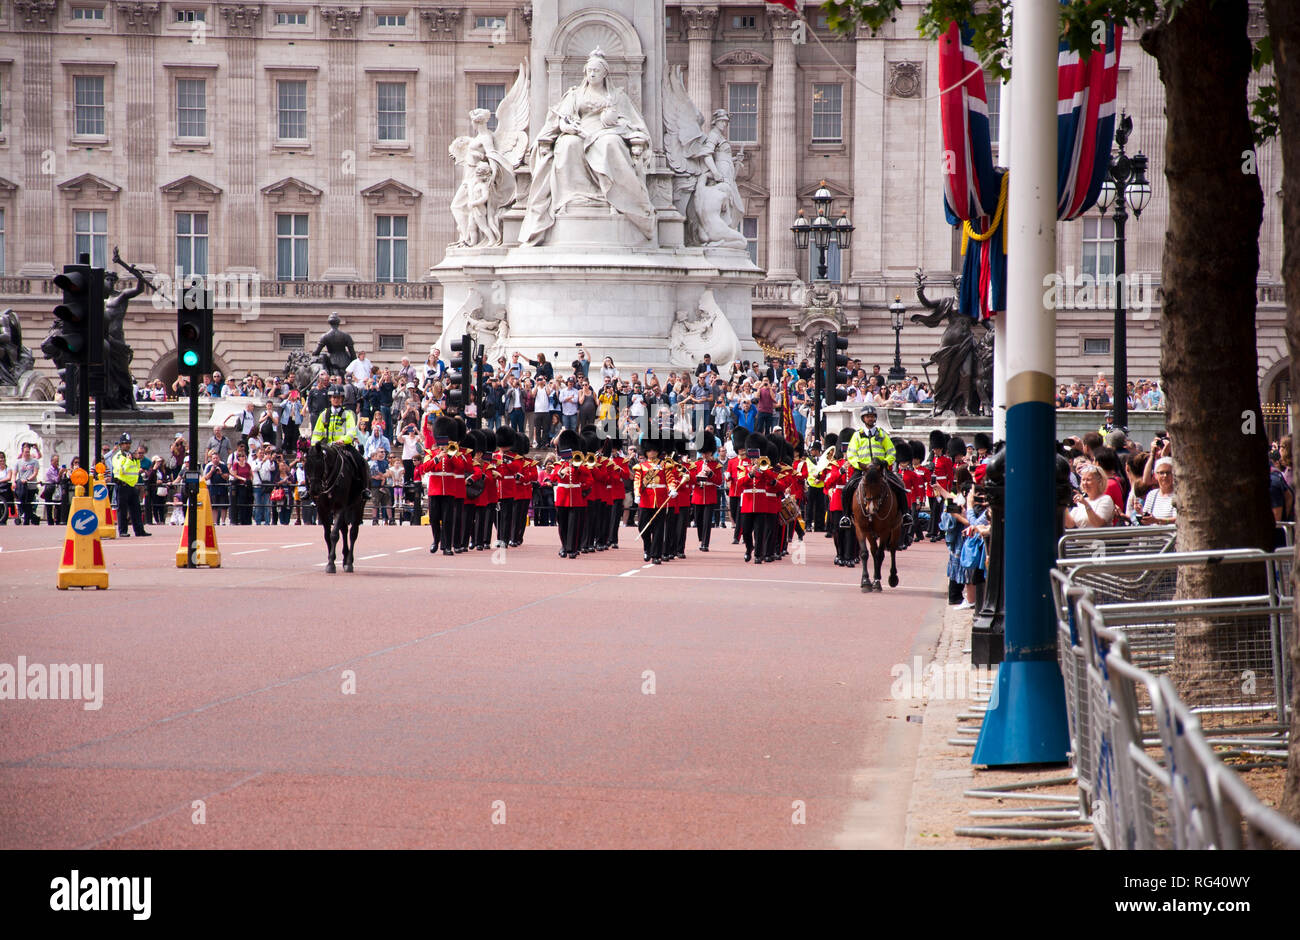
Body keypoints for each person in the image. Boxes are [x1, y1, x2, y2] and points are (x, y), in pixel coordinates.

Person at [843, 405, 908, 524]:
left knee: (900, 485)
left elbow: (891, 452)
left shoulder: (882, 434)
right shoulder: (857, 435)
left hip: (880, 469)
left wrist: (885, 462)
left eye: (872, 416)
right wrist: (860, 465)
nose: (870, 419)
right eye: (868, 417)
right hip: (863, 470)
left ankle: (905, 514)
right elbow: (851, 455)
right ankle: (846, 516)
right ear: (863, 419)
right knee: (847, 489)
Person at [110, 433, 150, 536]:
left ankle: (139, 530)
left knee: (136, 509)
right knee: (122, 510)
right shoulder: (118, 457)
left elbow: (136, 470)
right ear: (120, 445)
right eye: (125, 443)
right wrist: (128, 460)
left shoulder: (130, 456)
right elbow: (121, 470)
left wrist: (135, 460)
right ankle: (123, 531)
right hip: (122, 485)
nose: (127, 445)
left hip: (132, 485)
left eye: (128, 443)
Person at [1064, 463, 1117, 529]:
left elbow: (1098, 524)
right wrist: (1063, 504)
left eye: (1088, 480)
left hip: (1097, 539)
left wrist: (1086, 505)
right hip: (1079, 539)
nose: (1084, 483)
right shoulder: (1081, 501)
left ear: (1099, 481)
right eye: (1083, 480)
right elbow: (1070, 524)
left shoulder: (1106, 499)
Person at [1141, 457, 1177, 525]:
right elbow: (1146, 519)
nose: (1165, 476)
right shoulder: (1152, 494)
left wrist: (1157, 520)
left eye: (1168, 472)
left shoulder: (1178, 495)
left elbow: (1179, 519)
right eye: (1161, 473)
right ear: (1155, 475)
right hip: (1153, 534)